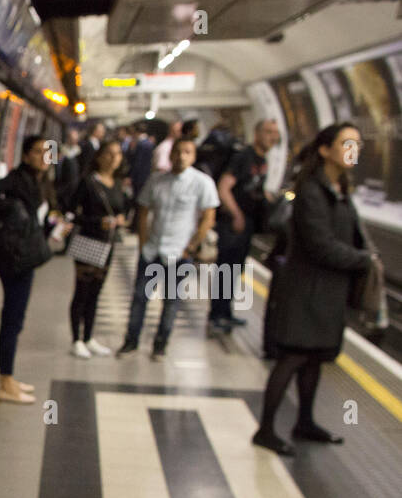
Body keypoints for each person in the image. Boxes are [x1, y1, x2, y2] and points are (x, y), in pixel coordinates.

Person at [253, 122, 378, 456]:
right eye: (345, 143)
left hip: (328, 292)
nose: (353, 150)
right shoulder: (310, 190)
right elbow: (320, 244)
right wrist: (362, 260)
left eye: (356, 144)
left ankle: (304, 422)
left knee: (313, 359)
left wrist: (361, 255)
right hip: (306, 290)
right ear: (325, 150)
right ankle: (265, 428)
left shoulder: (340, 190)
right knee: (292, 356)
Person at [0, 134, 66, 404]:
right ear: (26, 154)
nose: (43, 157)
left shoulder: (41, 182)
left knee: (16, 319)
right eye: (38, 152)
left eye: (47, 152)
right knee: (12, 319)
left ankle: (9, 377)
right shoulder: (18, 179)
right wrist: (10, 208)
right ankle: (5, 381)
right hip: (14, 259)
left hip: (26, 256)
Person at [117, 137, 218, 359]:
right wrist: (143, 242)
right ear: (170, 155)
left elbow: (208, 217)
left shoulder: (202, 183)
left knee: (171, 301)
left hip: (180, 253)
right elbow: (143, 210)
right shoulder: (156, 180)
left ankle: (160, 345)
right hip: (153, 250)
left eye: (187, 152)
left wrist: (191, 247)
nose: (181, 156)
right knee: (140, 298)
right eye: (178, 151)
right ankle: (130, 341)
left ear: (193, 156)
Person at [210, 119, 280, 334]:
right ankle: (217, 314)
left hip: (247, 223)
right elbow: (224, 187)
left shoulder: (262, 159)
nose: (272, 137)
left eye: (275, 133)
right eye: (268, 132)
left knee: (235, 269)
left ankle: (226, 312)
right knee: (225, 269)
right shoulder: (244, 156)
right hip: (233, 223)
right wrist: (236, 214)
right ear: (257, 134)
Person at [67, 143, 129, 358]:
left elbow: (122, 208)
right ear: (99, 157)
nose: (114, 159)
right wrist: (96, 221)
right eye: (109, 154)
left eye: (118, 154)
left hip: (108, 244)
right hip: (89, 241)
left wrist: (120, 220)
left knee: (96, 292)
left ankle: (89, 337)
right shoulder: (88, 182)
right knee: (82, 292)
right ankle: (76, 339)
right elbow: (71, 212)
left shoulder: (118, 184)